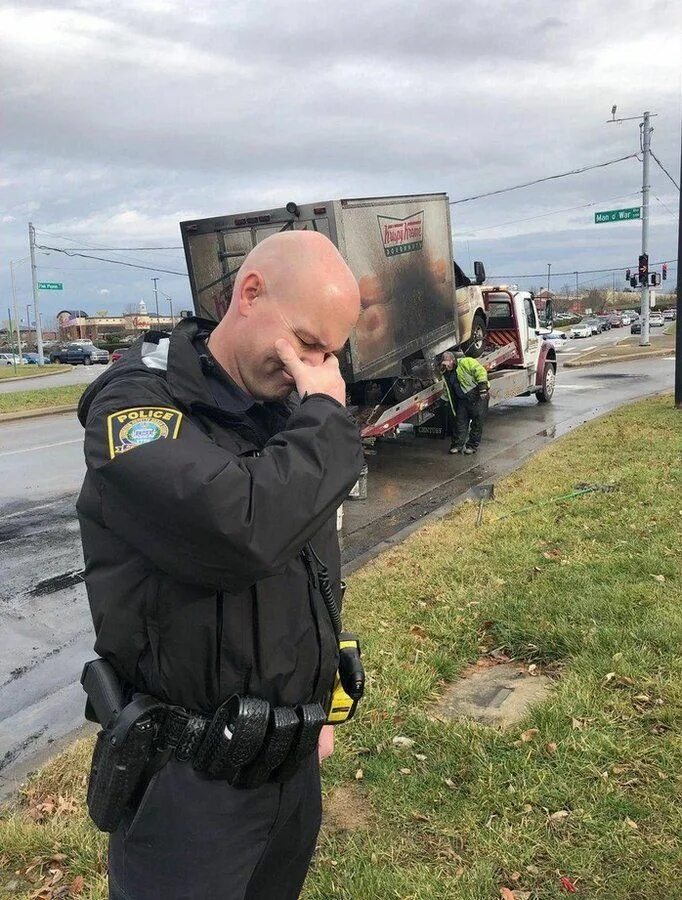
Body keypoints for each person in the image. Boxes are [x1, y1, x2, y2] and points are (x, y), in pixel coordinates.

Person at [76, 230, 364, 900]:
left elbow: (307, 571)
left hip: (289, 768)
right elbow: (237, 531)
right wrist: (326, 418)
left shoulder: (280, 414)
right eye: (305, 342)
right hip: (190, 788)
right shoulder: (138, 407)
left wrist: (313, 706)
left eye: (328, 354)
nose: (312, 368)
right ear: (249, 293)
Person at [440, 349, 490, 455]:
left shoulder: (466, 362)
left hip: (478, 396)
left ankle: (472, 446)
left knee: (477, 423)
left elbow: (480, 371)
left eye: (448, 363)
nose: (446, 366)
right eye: (444, 364)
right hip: (463, 400)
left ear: (453, 360)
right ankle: (457, 445)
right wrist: (443, 401)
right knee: (460, 422)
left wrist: (482, 387)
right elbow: (447, 389)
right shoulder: (446, 374)